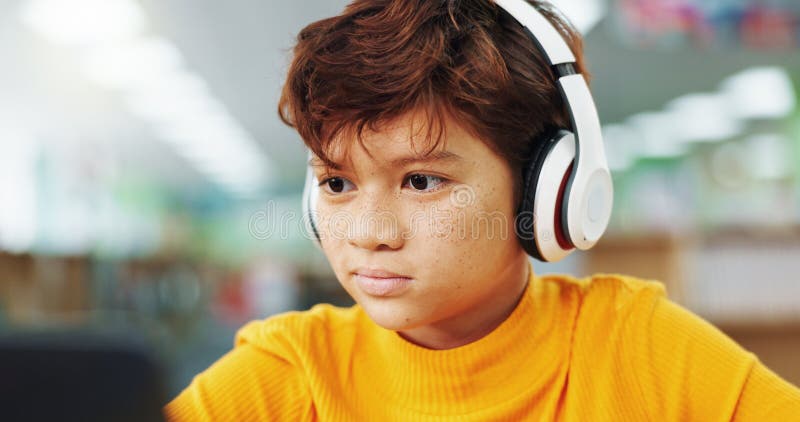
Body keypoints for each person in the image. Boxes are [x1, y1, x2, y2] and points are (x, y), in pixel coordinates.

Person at [163, 0, 800, 419]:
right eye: (336, 183)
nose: (369, 232)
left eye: (421, 181)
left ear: (545, 190)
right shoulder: (288, 374)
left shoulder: (639, 348)